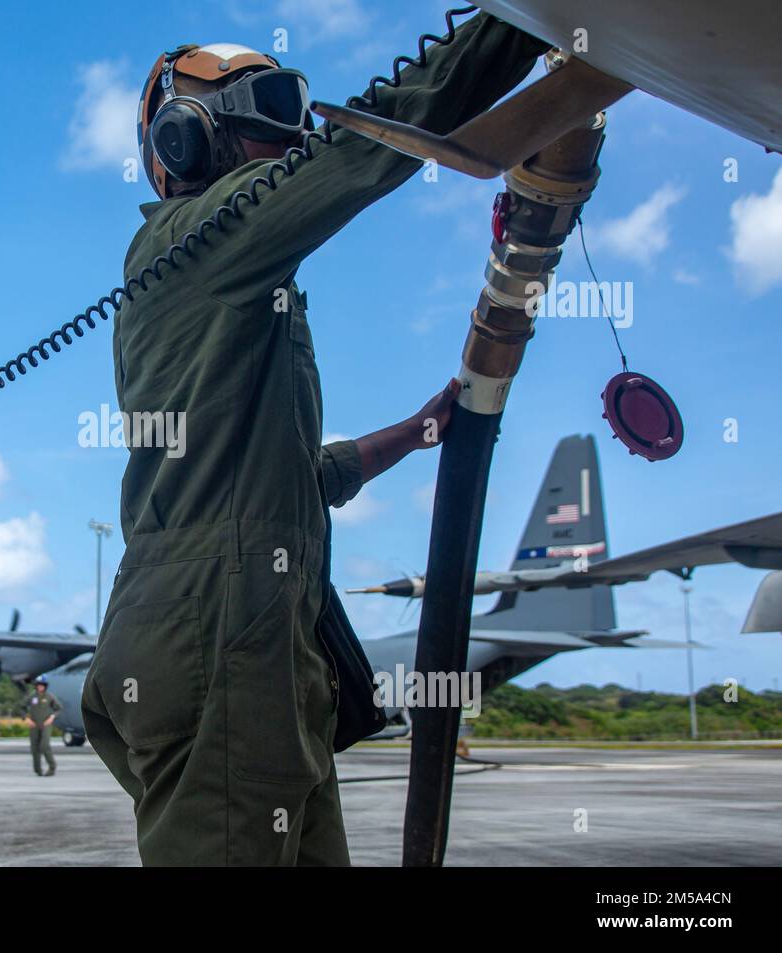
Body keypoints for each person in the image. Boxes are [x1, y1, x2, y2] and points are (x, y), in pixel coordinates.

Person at [80, 15, 549, 865]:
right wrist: (519, 28)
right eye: (266, 109)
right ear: (183, 138)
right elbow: (358, 156)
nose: (292, 138)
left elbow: (290, 476)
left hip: (259, 638)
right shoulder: (191, 243)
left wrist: (410, 434)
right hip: (217, 633)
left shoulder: (237, 290)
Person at [22, 677, 62, 776]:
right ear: (36, 686)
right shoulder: (32, 696)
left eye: (42, 685)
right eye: (39, 685)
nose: (40, 686)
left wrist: (52, 717)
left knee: (44, 746)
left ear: (45, 686)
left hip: (45, 725)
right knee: (34, 748)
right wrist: (26, 718)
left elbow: (59, 708)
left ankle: (52, 767)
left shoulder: (49, 697)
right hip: (34, 725)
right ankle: (37, 770)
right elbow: (21, 707)